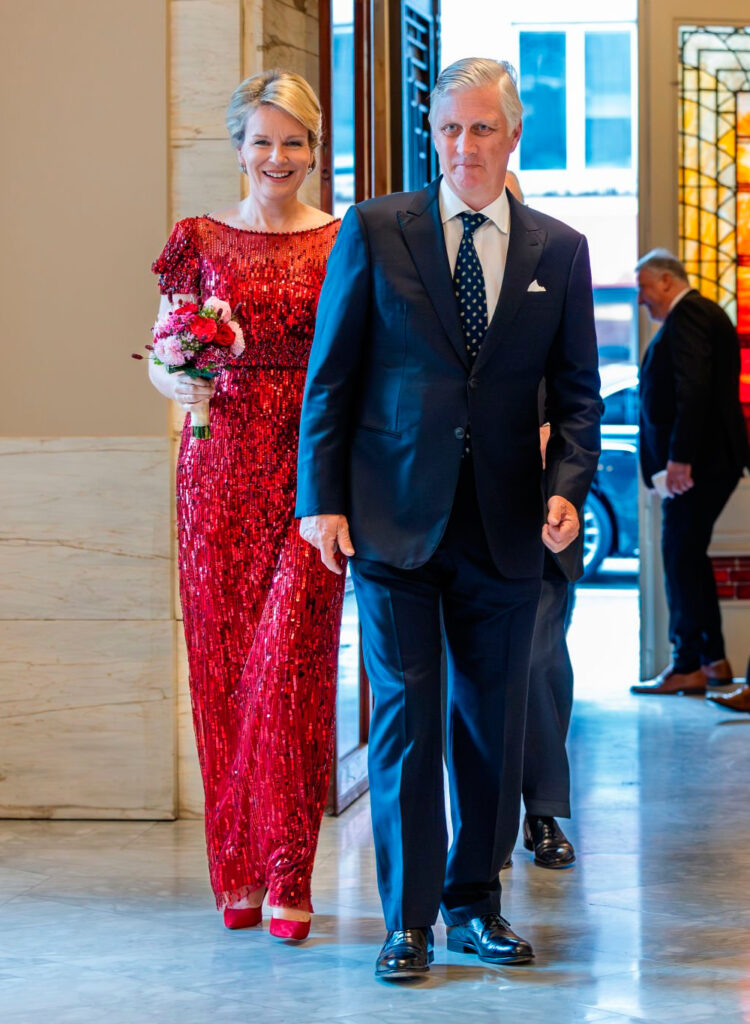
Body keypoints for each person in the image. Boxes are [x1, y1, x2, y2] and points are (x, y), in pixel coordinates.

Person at [296, 57, 601, 978]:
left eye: (482, 129)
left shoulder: (563, 248)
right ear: (433, 138)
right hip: (393, 521)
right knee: (404, 724)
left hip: (506, 527)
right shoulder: (377, 228)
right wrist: (323, 499)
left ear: (513, 138)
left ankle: (476, 905)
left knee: (490, 724)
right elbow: (334, 376)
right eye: (449, 130)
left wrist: (568, 486)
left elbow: (581, 399)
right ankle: (409, 922)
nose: (463, 147)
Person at [149, 70, 345, 941]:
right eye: (263, 140)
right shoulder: (197, 238)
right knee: (224, 672)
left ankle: (289, 873)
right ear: (238, 146)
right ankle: (234, 865)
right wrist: (181, 369)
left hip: (310, 478)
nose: (278, 157)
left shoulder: (346, 242)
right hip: (216, 469)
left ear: (314, 149)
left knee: (293, 670)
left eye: (294, 141)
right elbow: (162, 352)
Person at [631, 250, 748, 697]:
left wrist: (679, 459)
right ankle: (711, 661)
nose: (642, 299)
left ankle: (686, 664)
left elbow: (693, 387)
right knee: (688, 557)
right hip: (704, 461)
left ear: (665, 282)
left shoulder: (690, 314)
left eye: (643, 287)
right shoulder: (695, 315)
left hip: (699, 464)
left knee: (680, 556)